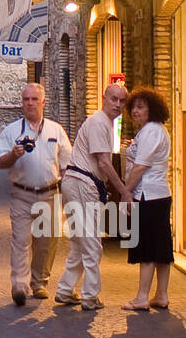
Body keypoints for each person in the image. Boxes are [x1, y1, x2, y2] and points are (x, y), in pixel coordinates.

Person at [54, 81, 133, 311]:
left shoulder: (103, 123)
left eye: (121, 101)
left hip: (77, 183)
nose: (117, 104)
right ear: (104, 98)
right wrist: (124, 190)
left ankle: (65, 290)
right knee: (92, 244)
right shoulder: (100, 122)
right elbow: (104, 163)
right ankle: (89, 296)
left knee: (80, 242)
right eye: (113, 99)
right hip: (82, 184)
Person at [0, 82, 72, 305]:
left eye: (34, 99)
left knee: (47, 241)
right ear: (22, 102)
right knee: (21, 239)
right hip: (22, 194)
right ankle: (19, 284)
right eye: (26, 99)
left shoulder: (56, 131)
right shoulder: (11, 131)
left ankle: (39, 282)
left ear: (43, 102)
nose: (30, 103)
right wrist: (13, 155)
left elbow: (67, 165)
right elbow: (0, 162)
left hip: (50, 194)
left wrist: (69, 193)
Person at [120, 87, 173, 312]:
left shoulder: (151, 130)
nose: (135, 111)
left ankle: (142, 297)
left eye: (141, 107)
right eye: (133, 107)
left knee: (148, 247)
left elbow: (141, 166)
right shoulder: (151, 131)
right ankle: (161, 295)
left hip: (148, 195)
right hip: (158, 195)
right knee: (161, 246)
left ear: (152, 109)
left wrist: (125, 192)